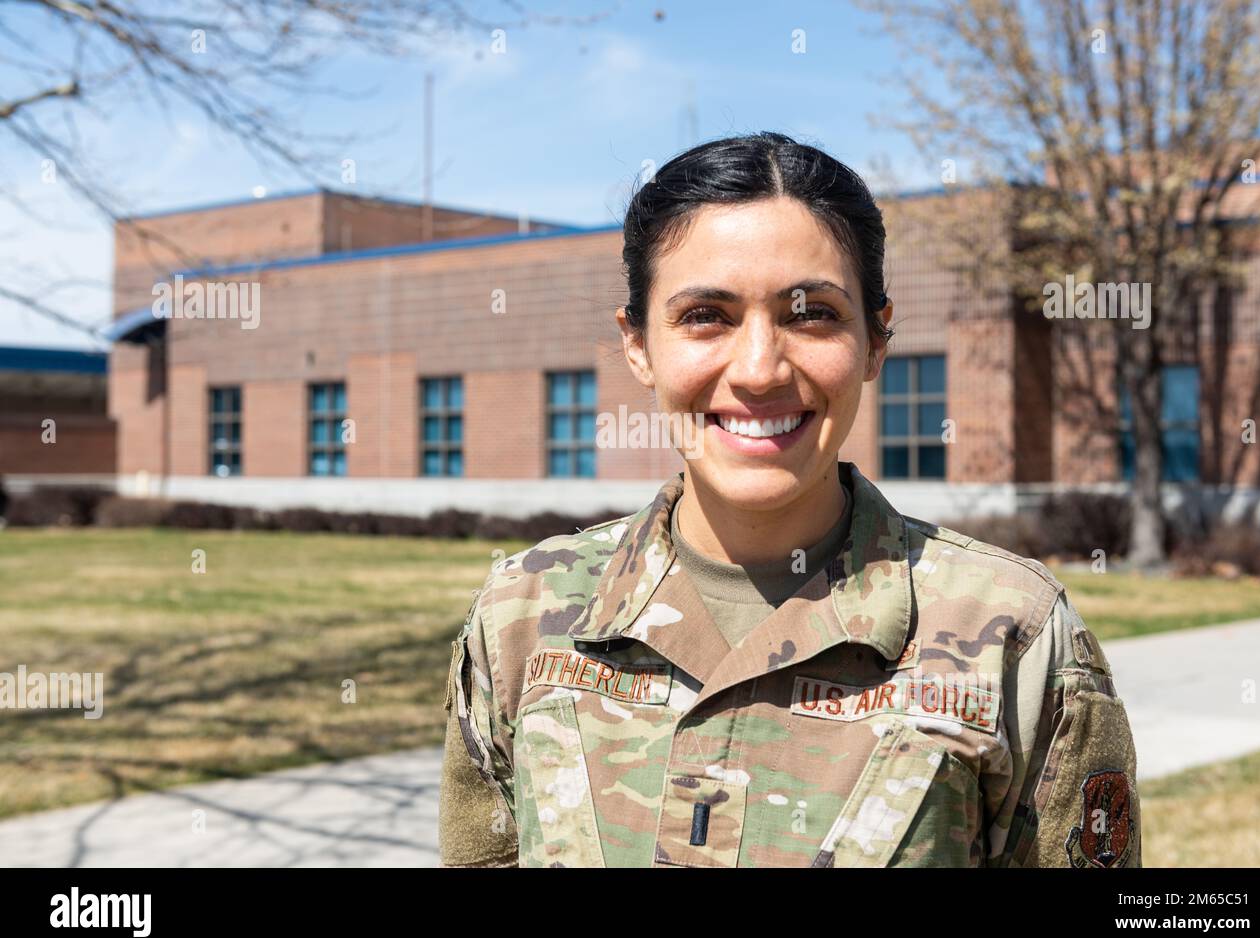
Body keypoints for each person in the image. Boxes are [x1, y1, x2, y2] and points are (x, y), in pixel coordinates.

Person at [439, 131, 1141, 868]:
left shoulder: (1013, 636)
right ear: (638, 344)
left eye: (811, 314)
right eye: (705, 314)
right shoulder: (522, 618)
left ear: (875, 341)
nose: (759, 368)